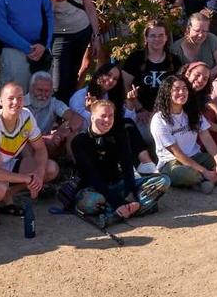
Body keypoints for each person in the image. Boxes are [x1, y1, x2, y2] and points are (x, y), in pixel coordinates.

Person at [68, 95, 170, 229]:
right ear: (92, 117)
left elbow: (127, 166)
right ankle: (140, 207)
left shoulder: (119, 135)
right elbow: (92, 175)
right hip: (93, 189)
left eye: (111, 116)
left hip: (118, 185)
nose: (107, 120)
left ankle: (117, 214)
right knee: (92, 202)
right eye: (103, 116)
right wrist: (118, 202)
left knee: (164, 180)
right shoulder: (79, 141)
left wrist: (131, 193)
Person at [0, 81, 50, 223]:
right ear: (0, 101)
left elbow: (40, 148)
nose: (16, 102)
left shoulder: (26, 115)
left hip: (4, 165)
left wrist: (39, 172)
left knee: (50, 168)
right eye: (10, 98)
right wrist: (29, 179)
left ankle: (8, 195)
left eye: (20, 98)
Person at [150, 75, 217, 193]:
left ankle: (208, 178)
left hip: (196, 156)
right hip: (172, 162)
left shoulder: (193, 112)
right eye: (177, 89)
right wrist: (204, 171)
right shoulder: (159, 119)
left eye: (185, 88)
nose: (182, 92)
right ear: (167, 92)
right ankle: (210, 176)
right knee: (187, 174)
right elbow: (177, 153)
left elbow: (207, 138)